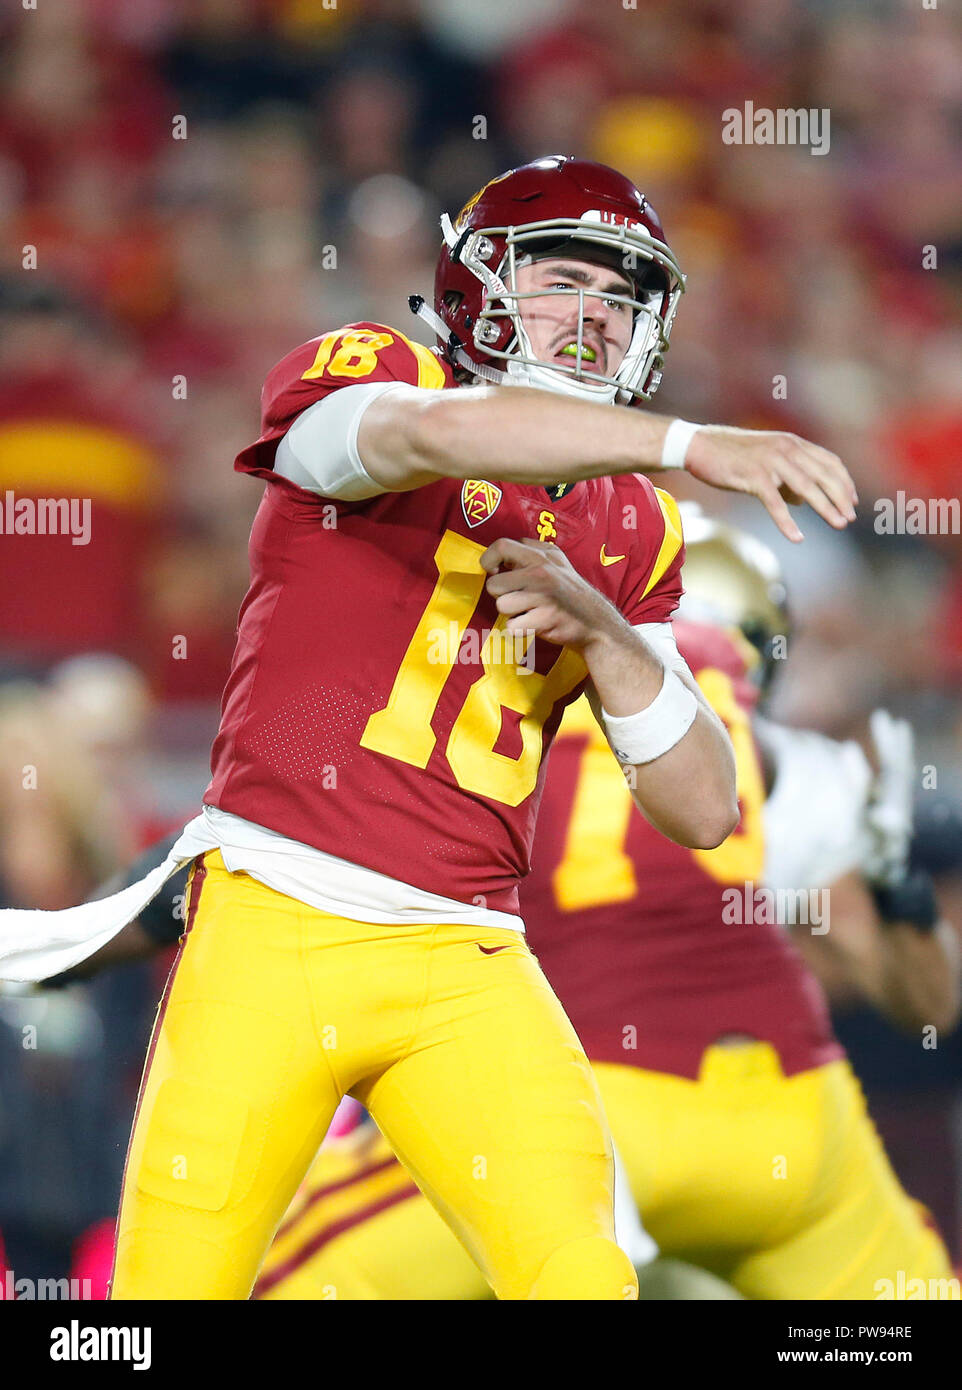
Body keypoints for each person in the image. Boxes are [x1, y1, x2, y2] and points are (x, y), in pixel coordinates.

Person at [0, 156, 856, 1301]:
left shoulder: (633, 526)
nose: (594, 316)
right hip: (276, 920)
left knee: (580, 1281)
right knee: (161, 1306)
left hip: (468, 956)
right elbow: (419, 437)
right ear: (478, 284)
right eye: (564, 280)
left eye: (619, 296)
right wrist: (686, 442)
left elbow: (703, 809)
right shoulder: (375, 367)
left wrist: (606, 635)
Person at [250, 512, 956, 1301]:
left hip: (576, 1107)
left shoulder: (480, 731)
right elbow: (930, 1006)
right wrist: (903, 889)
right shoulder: (798, 773)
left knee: (275, 1271)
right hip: (782, 1117)